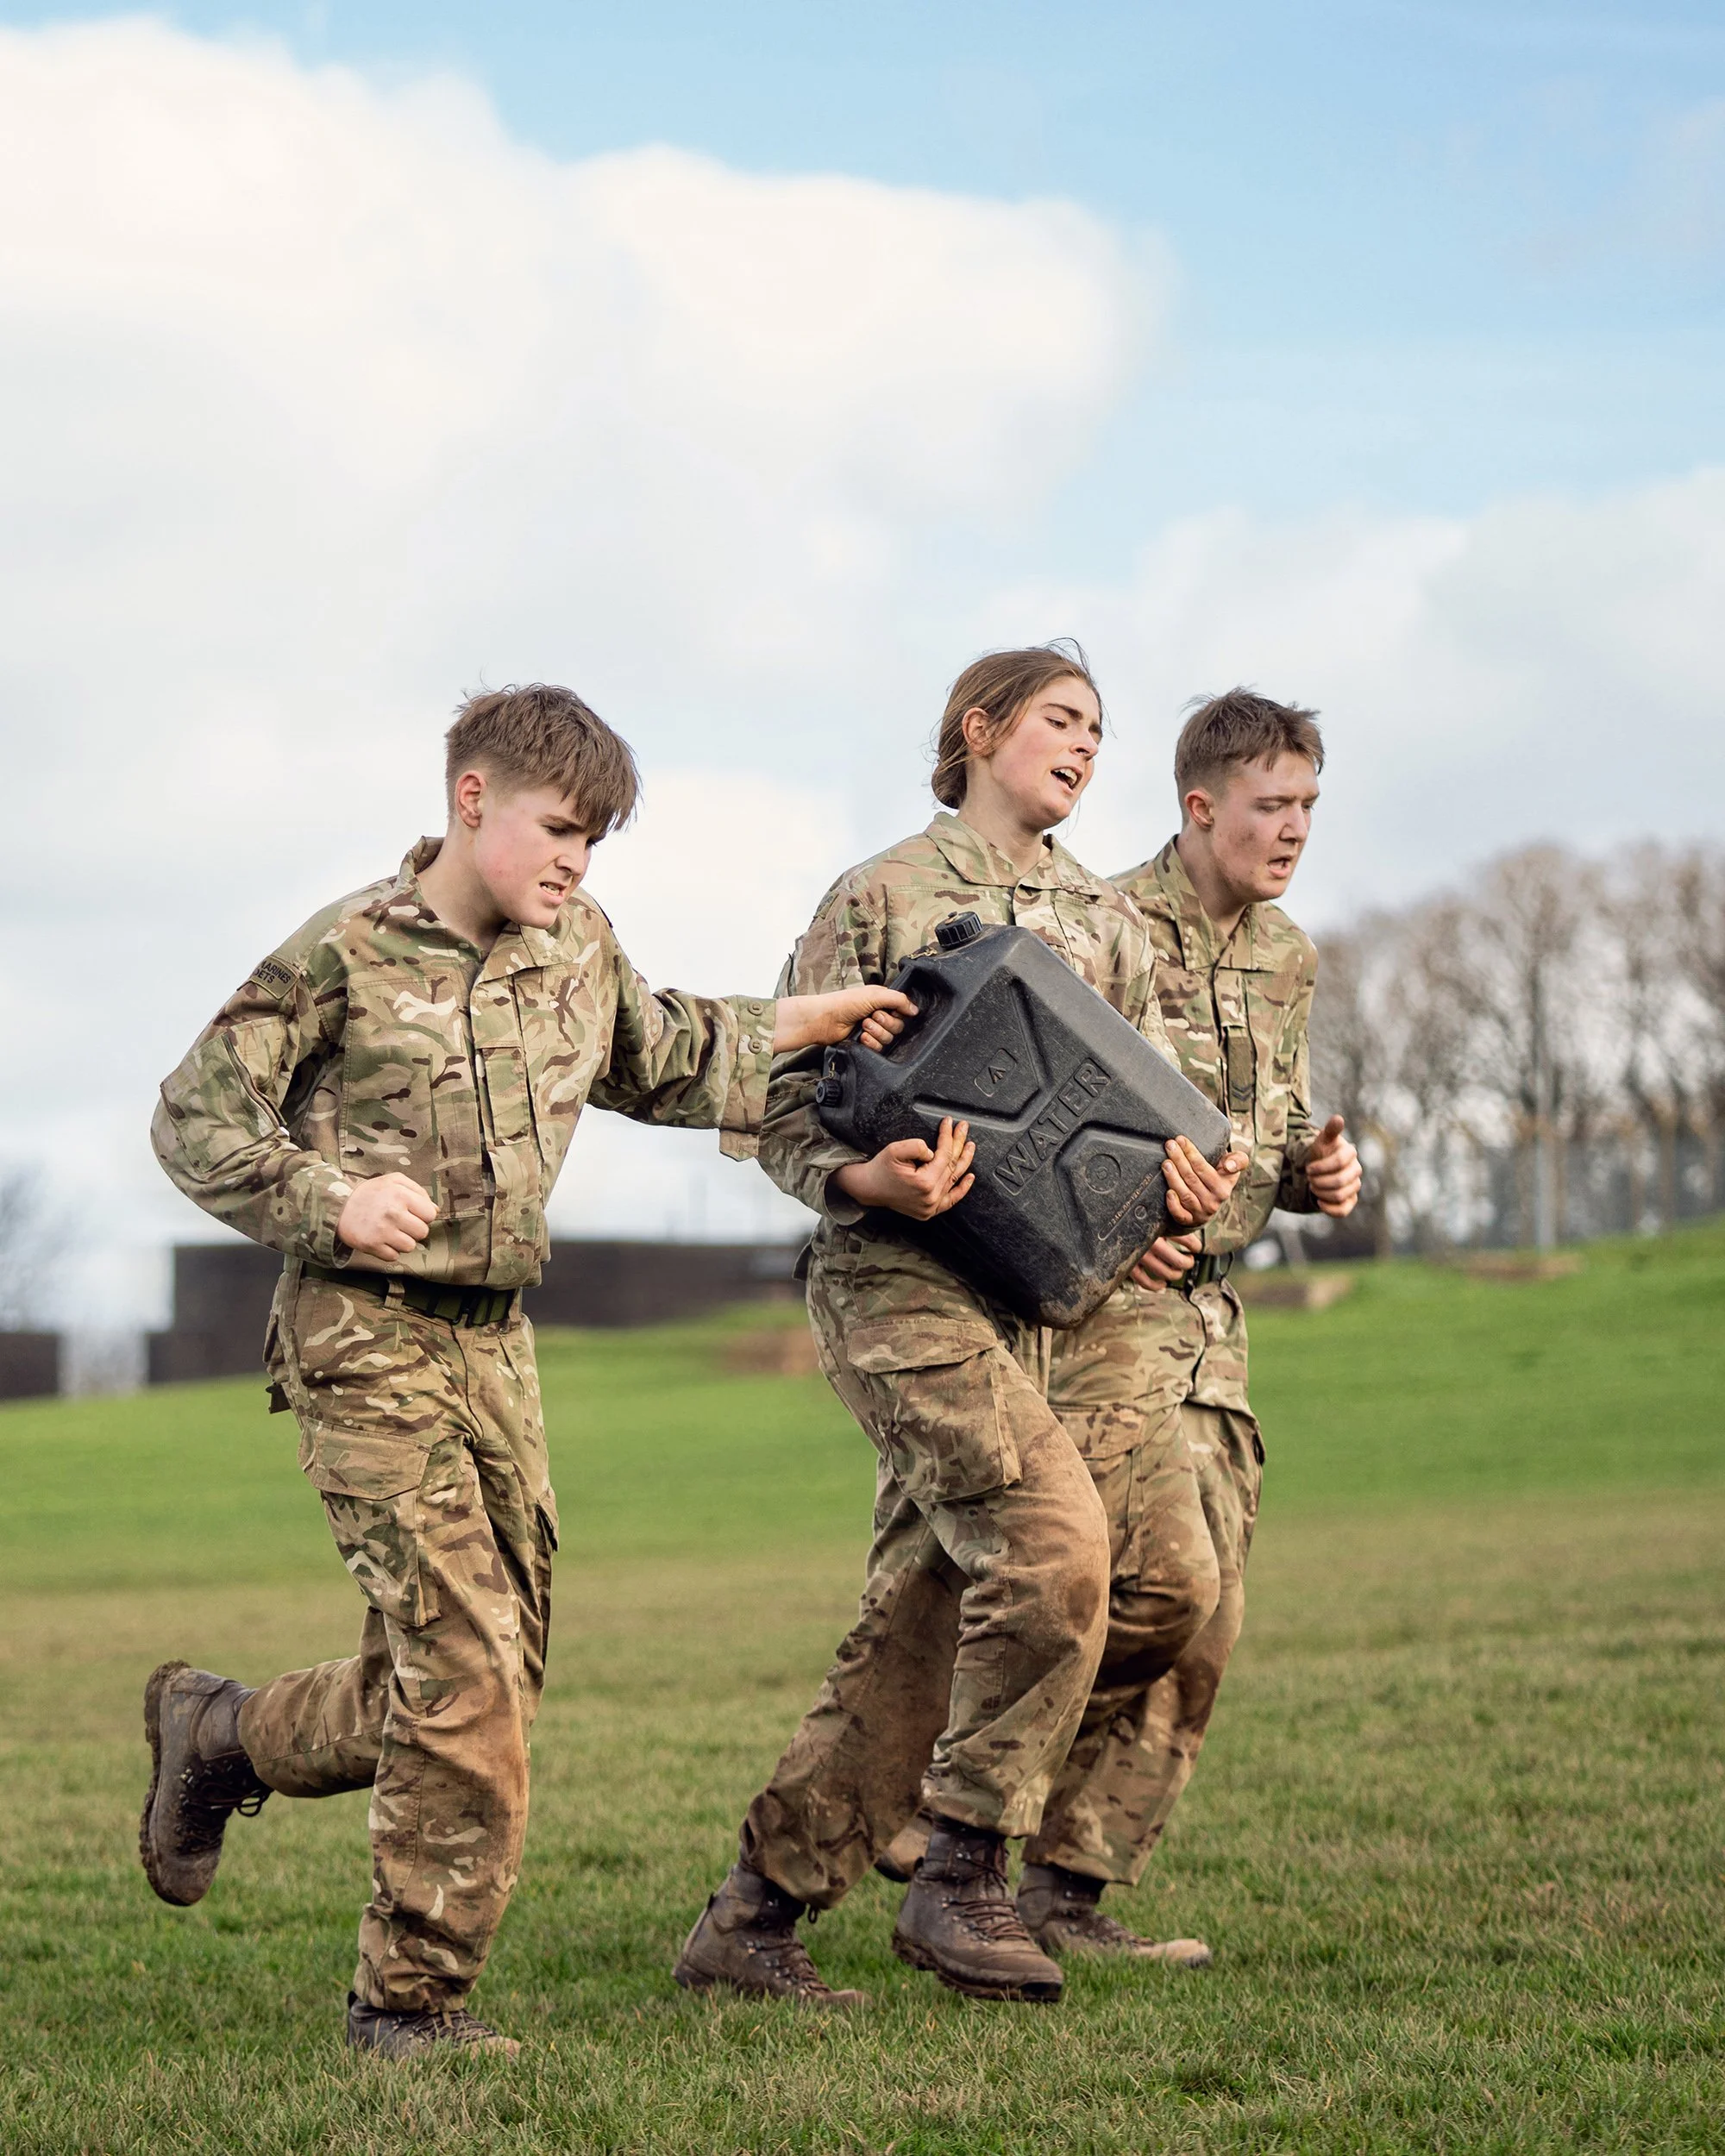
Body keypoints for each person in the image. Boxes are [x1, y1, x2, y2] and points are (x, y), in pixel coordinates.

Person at [139, 683, 913, 2059]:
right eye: (560, 829)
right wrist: (331, 1201)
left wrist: (815, 1020)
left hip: (497, 1350)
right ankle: (408, 2006)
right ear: (471, 798)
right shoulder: (346, 952)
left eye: (595, 840)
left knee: (470, 1675)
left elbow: (664, 1054)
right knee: (467, 1672)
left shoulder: (578, 946)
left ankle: (222, 1734)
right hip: (364, 1339)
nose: (577, 860)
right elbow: (193, 1117)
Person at [672, 644, 1242, 2010]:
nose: (1086, 746)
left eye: (1099, 730)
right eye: (1061, 718)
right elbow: (782, 1101)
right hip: (902, 1284)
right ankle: (962, 1875)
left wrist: (1175, 1201)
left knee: (1124, 1585)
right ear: (979, 729)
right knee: (1046, 1555)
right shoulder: (877, 896)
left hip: (1066, 1305)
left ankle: (763, 1912)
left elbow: (1147, 1125)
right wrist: (865, 1178)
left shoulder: (1111, 922)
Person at [880, 688, 1361, 1964]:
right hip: (1106, 1310)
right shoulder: (1103, 922)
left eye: (1309, 806)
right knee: (1131, 1585)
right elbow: (1038, 1126)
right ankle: (943, 1803)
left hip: (1215, 1320)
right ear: (1200, 806)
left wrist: (1312, 1175)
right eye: (1272, 805)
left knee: (1207, 1622)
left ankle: (1065, 1892)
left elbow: (1259, 1142)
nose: (1295, 829)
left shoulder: (1289, 958)